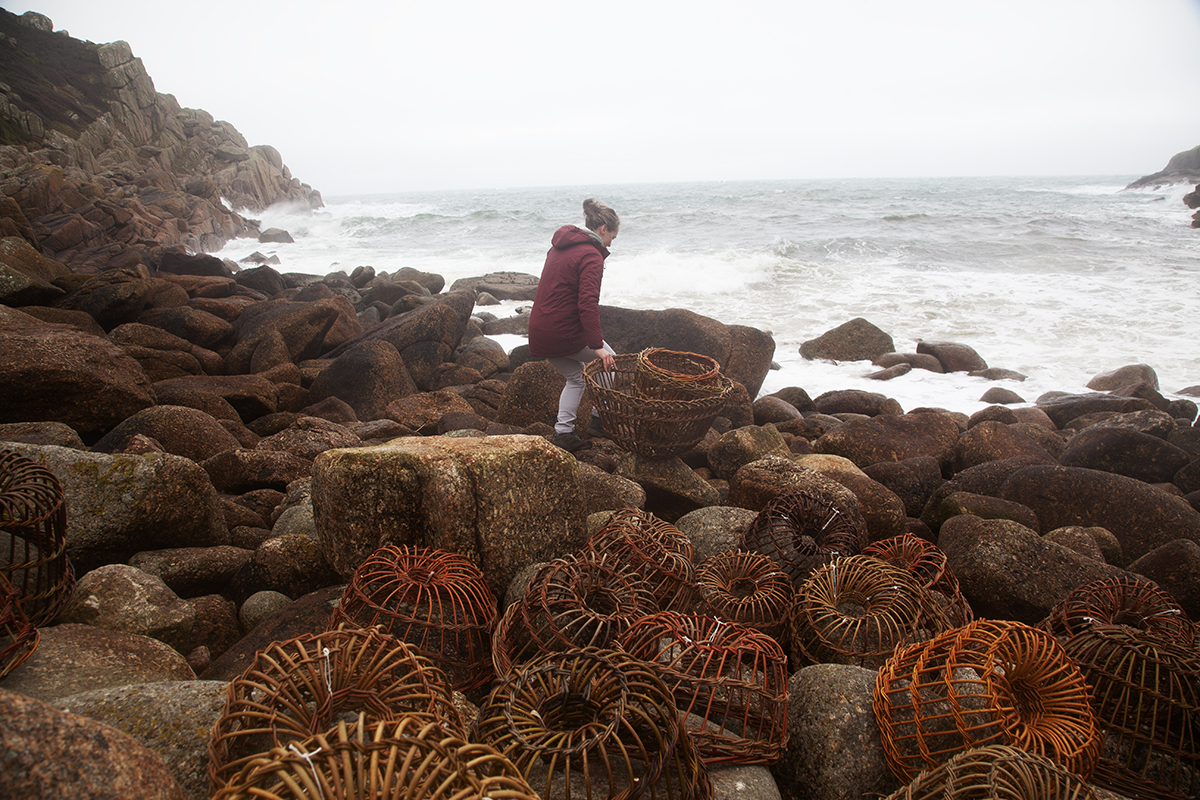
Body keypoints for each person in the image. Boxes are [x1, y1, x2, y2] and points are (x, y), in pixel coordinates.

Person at [527, 198, 619, 453]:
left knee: (576, 378)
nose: (611, 242)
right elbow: (587, 303)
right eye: (613, 235)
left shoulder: (559, 247)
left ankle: (564, 433)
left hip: (539, 330)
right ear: (602, 229)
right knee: (610, 364)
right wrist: (597, 346)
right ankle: (600, 421)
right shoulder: (591, 254)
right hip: (562, 331)